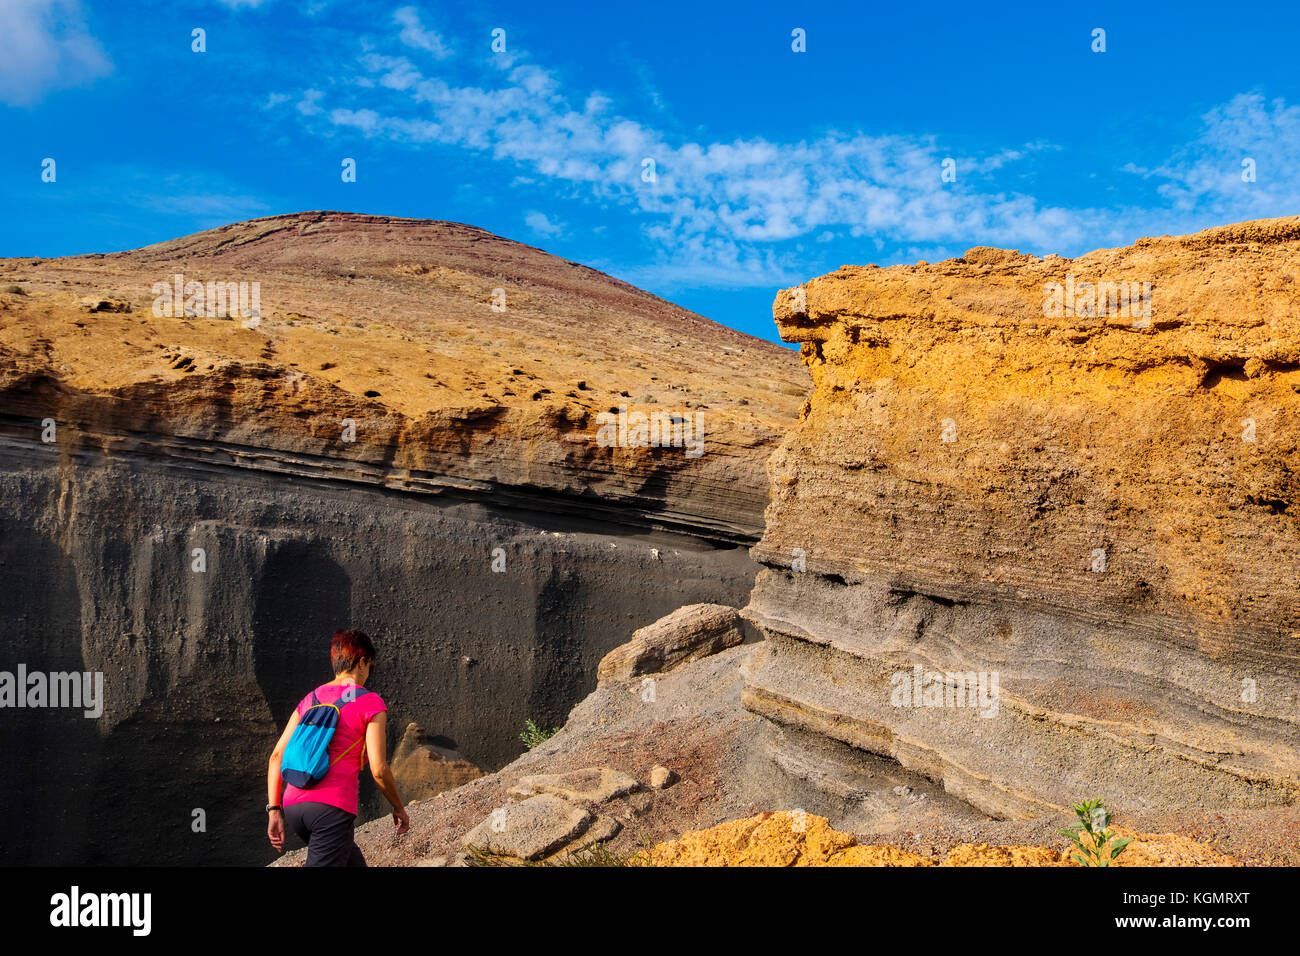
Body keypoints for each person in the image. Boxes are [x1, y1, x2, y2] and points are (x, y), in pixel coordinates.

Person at [266, 628, 409, 866]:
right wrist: (398, 807)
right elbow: (379, 770)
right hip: (330, 809)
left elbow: (276, 756)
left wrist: (274, 810)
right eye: (370, 667)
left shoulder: (310, 699)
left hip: (293, 805)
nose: (369, 674)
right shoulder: (370, 702)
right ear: (362, 662)